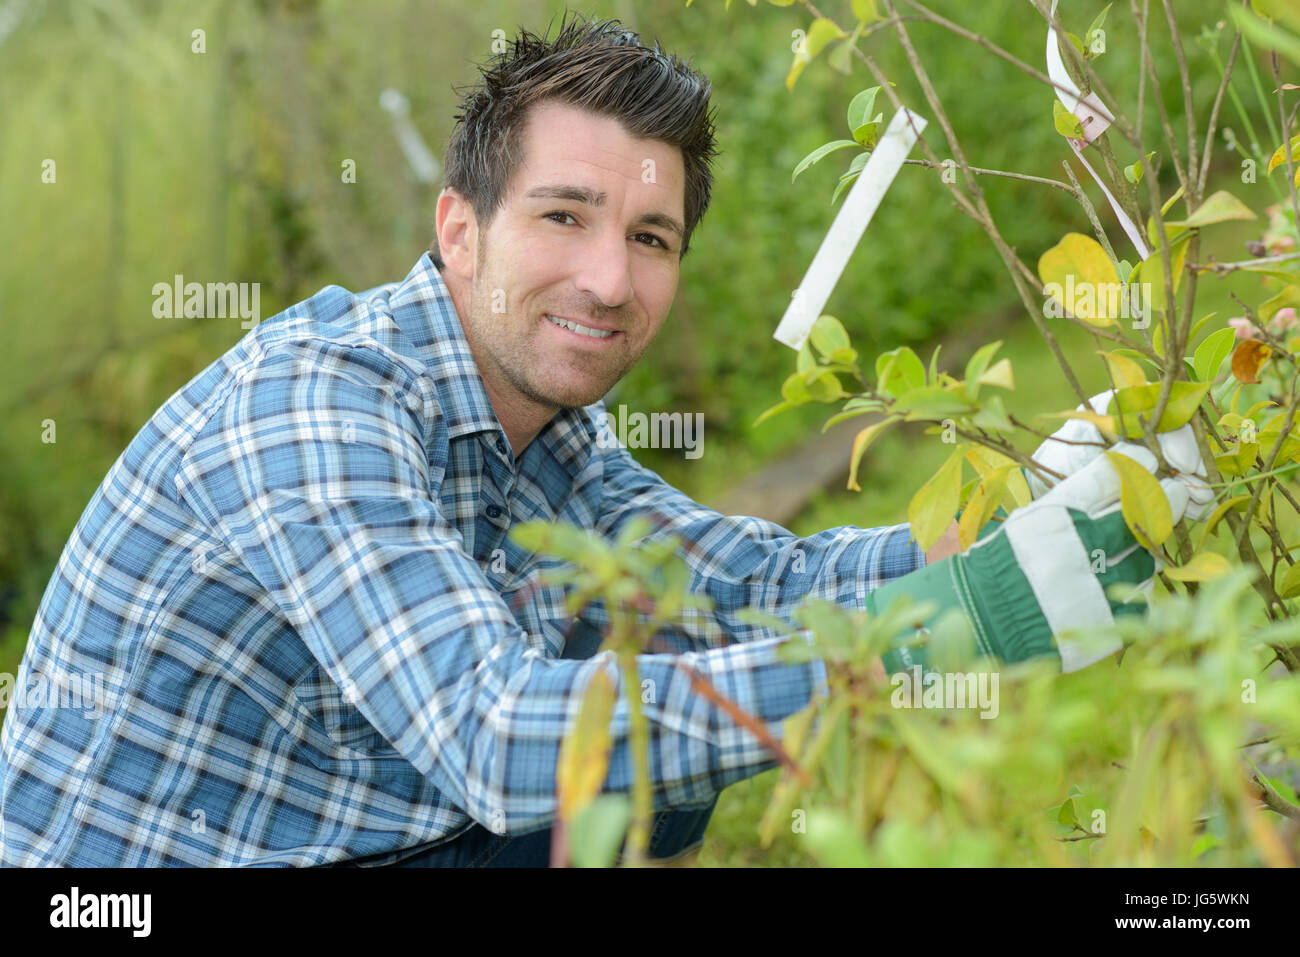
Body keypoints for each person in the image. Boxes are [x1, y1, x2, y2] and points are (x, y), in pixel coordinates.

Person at [0, 13, 1208, 868]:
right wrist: (954, 633)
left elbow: (752, 579)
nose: (606, 278)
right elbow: (499, 737)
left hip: (336, 823)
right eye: (564, 217)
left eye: (650, 237)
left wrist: (1049, 497)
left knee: (661, 720)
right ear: (458, 228)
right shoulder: (320, 406)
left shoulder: (542, 428)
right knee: (616, 758)